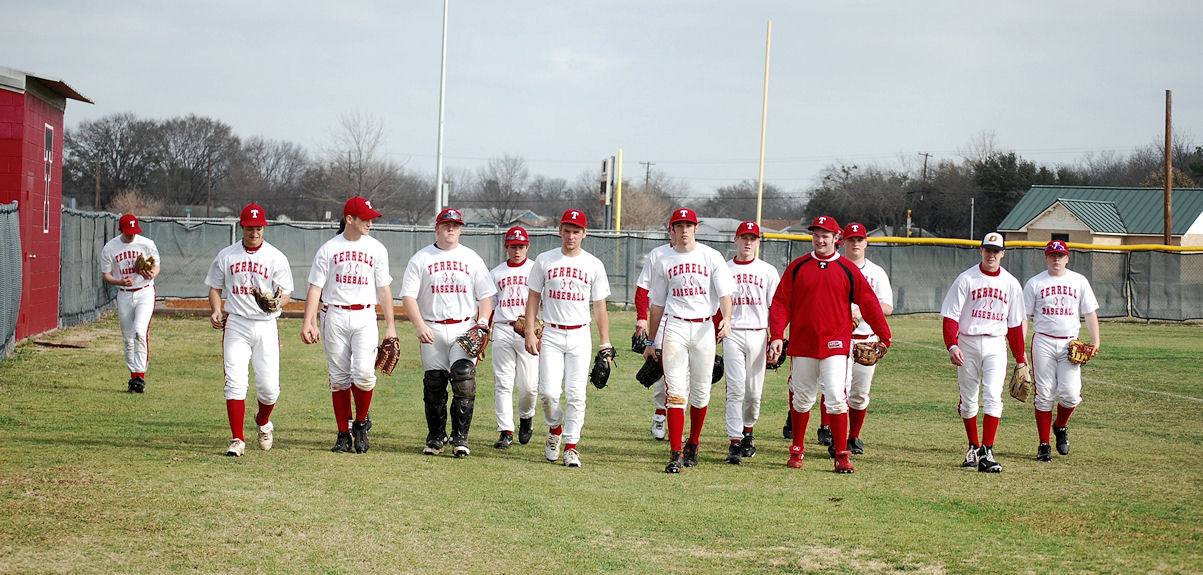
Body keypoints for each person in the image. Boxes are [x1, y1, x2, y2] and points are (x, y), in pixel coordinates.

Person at [767, 216, 891, 474]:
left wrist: (884, 335)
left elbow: (868, 302)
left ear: (837, 238)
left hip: (836, 344)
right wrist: (777, 334)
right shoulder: (798, 267)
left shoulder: (848, 269)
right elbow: (780, 303)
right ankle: (797, 450)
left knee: (836, 398)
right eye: (816, 234)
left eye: (826, 235)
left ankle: (842, 455)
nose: (820, 239)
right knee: (802, 399)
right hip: (803, 344)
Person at [300, 197, 397, 454]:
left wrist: (391, 326)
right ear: (349, 219)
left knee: (364, 373)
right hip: (334, 315)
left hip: (365, 315)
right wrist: (308, 321)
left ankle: (361, 423)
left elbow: (384, 289)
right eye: (364, 218)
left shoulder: (377, 248)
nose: (369, 222)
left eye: (371, 218)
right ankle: (343, 433)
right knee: (339, 378)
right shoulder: (329, 249)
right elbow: (316, 287)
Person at [643, 208, 735, 473]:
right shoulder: (662, 257)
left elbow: (725, 294)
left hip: (704, 328)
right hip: (675, 326)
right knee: (676, 392)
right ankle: (675, 452)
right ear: (671, 230)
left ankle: (693, 443)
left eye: (688, 225)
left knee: (701, 391)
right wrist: (651, 341)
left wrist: (726, 318)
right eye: (678, 225)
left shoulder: (711, 256)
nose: (684, 230)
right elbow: (657, 303)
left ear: (697, 228)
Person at [400, 208, 496, 458]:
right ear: (437, 228)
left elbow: (486, 295)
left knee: (464, 380)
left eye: (455, 225)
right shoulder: (421, 258)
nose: (450, 229)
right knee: (434, 383)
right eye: (446, 225)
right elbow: (408, 295)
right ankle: (435, 438)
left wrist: (482, 323)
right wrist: (419, 325)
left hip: (463, 327)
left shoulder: (471, 257)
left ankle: (460, 438)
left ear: (461, 229)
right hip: (431, 326)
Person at [524, 208, 612, 468]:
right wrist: (530, 330)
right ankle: (555, 430)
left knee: (576, 394)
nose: (571, 235)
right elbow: (533, 298)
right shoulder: (544, 260)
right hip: (551, 332)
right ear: (560, 231)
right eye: (567, 230)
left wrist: (605, 342)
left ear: (584, 233)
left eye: (576, 231)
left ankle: (571, 446)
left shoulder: (593, 264)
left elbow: (599, 307)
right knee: (549, 393)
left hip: (579, 334)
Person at [204, 203, 294, 457]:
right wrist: (215, 309)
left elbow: (286, 292)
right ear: (241, 226)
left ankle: (263, 422)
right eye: (249, 227)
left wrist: (277, 302)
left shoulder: (275, 256)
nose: (254, 232)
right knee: (235, 384)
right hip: (237, 323)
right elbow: (214, 287)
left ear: (263, 228)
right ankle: (237, 439)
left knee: (269, 389)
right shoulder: (227, 255)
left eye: (258, 227)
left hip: (266, 324)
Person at [940, 231, 1027, 473]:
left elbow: (1015, 325)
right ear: (981, 251)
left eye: (995, 251)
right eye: (987, 250)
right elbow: (950, 316)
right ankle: (973, 447)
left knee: (992, 396)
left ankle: (987, 451)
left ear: (1003, 254)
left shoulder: (1011, 283)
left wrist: (1021, 359)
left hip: (996, 343)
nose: (991, 254)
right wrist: (952, 345)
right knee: (968, 402)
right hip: (967, 342)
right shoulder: (966, 279)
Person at [1022, 240, 1101, 462]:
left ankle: (1061, 426)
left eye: (1060, 255)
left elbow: (1090, 312)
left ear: (1067, 258)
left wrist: (1096, 341)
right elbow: (1024, 317)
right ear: (1046, 258)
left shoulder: (1079, 281)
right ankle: (1044, 444)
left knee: (1071, 394)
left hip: (1070, 343)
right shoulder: (1035, 283)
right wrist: (1021, 349)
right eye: (1052, 255)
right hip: (1044, 342)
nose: (1056, 259)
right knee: (1044, 395)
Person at [722, 221, 780, 465]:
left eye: (753, 238)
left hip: (758, 333)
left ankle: (748, 431)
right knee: (735, 390)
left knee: (754, 393)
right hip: (732, 332)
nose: (748, 242)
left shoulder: (767, 270)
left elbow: (776, 307)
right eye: (744, 237)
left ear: (758, 242)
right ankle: (735, 441)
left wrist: (777, 336)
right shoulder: (724, 269)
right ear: (735, 240)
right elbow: (717, 305)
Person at [838, 222, 893, 456]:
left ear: (866, 243)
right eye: (851, 239)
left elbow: (888, 307)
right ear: (843, 243)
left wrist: (862, 310)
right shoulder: (836, 268)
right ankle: (835, 436)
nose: (855, 244)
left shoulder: (876, 272)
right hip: (838, 339)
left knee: (859, 394)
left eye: (859, 239)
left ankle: (854, 437)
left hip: (865, 339)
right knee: (838, 392)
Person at [488, 226, 538, 449]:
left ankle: (526, 417)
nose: (517, 250)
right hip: (503, 328)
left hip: (528, 330)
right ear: (505, 247)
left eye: (520, 246)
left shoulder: (536, 269)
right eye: (512, 246)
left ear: (527, 246)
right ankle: (505, 430)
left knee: (528, 385)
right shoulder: (496, 273)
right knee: (503, 382)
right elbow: (490, 304)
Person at [100, 213, 161, 393]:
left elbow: (157, 264)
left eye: (134, 232)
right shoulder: (110, 247)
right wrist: (120, 282)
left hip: (145, 292)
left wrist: (152, 273)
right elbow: (106, 275)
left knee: (140, 332)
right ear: (120, 230)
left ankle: (140, 377)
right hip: (124, 294)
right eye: (128, 232)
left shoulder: (146, 243)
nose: (131, 235)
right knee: (128, 339)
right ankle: (134, 377)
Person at [633, 231, 674, 440]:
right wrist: (642, 317)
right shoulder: (658, 254)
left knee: (683, 375)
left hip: (686, 320)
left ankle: (678, 418)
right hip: (662, 317)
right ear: (671, 231)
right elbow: (643, 287)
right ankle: (660, 414)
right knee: (659, 368)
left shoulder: (699, 255)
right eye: (677, 227)